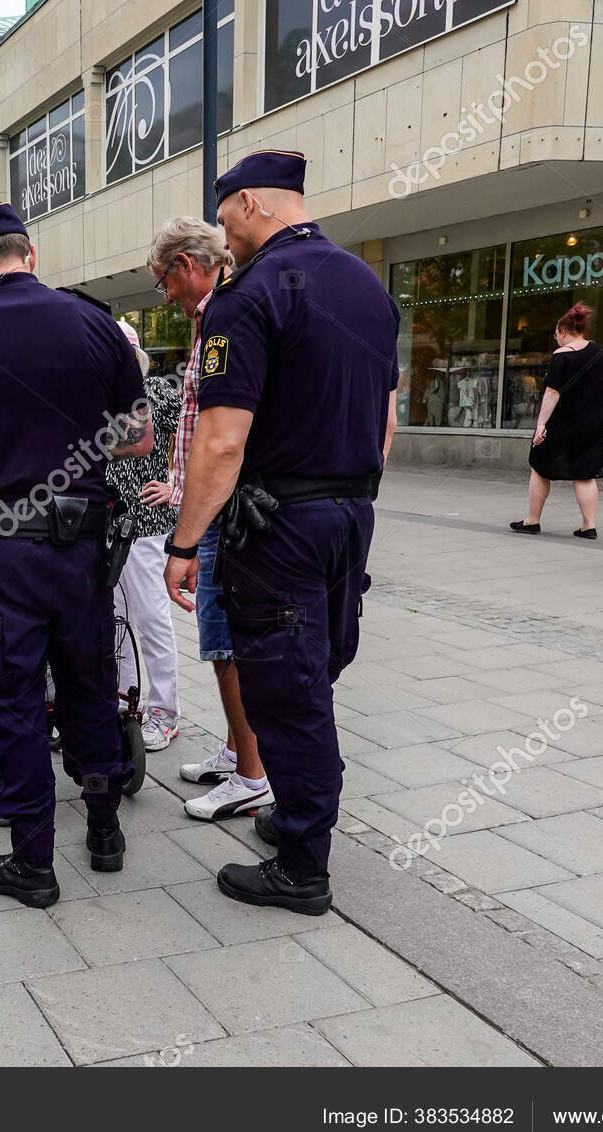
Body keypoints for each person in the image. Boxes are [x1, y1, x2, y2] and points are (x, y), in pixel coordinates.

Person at [163, 150, 400, 915]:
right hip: (348, 516)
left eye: (227, 210)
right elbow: (386, 415)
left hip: (280, 525)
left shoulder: (250, 293)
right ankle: (293, 818)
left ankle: (302, 864)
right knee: (315, 672)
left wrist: (183, 541)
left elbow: (223, 441)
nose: (223, 228)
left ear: (256, 204)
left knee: (287, 692)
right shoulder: (367, 284)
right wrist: (348, 489)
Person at [0, 201, 153, 908]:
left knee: (11, 699)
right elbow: (138, 437)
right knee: (89, 681)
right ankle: (104, 832)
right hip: (81, 545)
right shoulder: (95, 323)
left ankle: (33, 864)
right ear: (30, 255)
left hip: (1, 548)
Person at [141, 217, 268, 802]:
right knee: (222, 643)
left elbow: (222, 438)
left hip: (225, 514)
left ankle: (252, 775)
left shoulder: (228, 313)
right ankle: (240, 750)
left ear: (187, 266)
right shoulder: (209, 318)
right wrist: (178, 483)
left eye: (164, 280)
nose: (163, 294)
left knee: (224, 643)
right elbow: (196, 425)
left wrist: (185, 539)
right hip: (214, 506)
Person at [107, 319, 182, 752]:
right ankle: (125, 700)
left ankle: (164, 711)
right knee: (115, 617)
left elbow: (195, 434)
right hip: (108, 524)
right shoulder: (101, 396)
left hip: (148, 527)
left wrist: (178, 483)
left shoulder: (155, 393)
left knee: (151, 619)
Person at [510, 302, 603, 538]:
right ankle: (589, 526)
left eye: (556, 333)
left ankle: (532, 520)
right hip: (594, 421)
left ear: (564, 332)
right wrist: (597, 409)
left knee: (539, 466)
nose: (555, 338)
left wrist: (541, 425)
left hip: (564, 421)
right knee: (586, 472)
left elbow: (552, 392)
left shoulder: (562, 355)